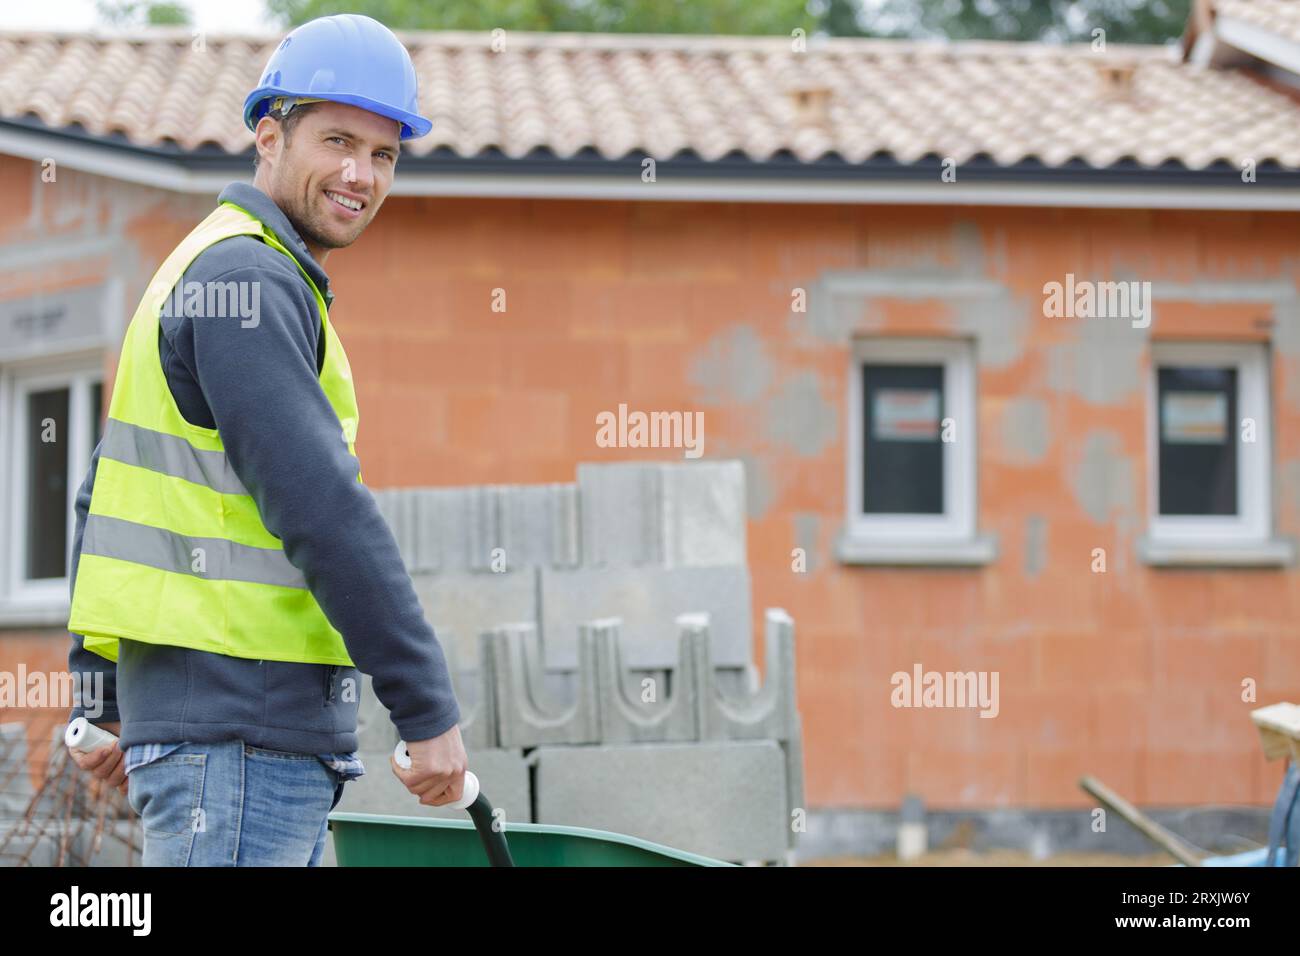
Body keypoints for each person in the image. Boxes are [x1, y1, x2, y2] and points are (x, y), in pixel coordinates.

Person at [64, 13, 466, 866]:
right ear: (269, 136)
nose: (361, 174)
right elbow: (322, 508)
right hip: (241, 748)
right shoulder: (247, 278)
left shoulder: (205, 265)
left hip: (232, 746)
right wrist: (425, 708)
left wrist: (98, 695)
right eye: (338, 141)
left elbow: (104, 494)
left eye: (385, 154)